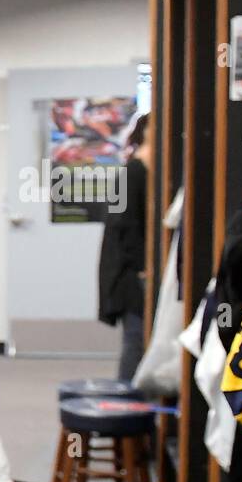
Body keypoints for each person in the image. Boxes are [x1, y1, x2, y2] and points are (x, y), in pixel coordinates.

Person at [98, 111, 150, 381]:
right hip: (131, 272)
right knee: (136, 339)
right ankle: (128, 403)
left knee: (139, 338)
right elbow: (123, 225)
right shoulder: (132, 173)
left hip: (137, 269)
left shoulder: (144, 172)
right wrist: (143, 267)